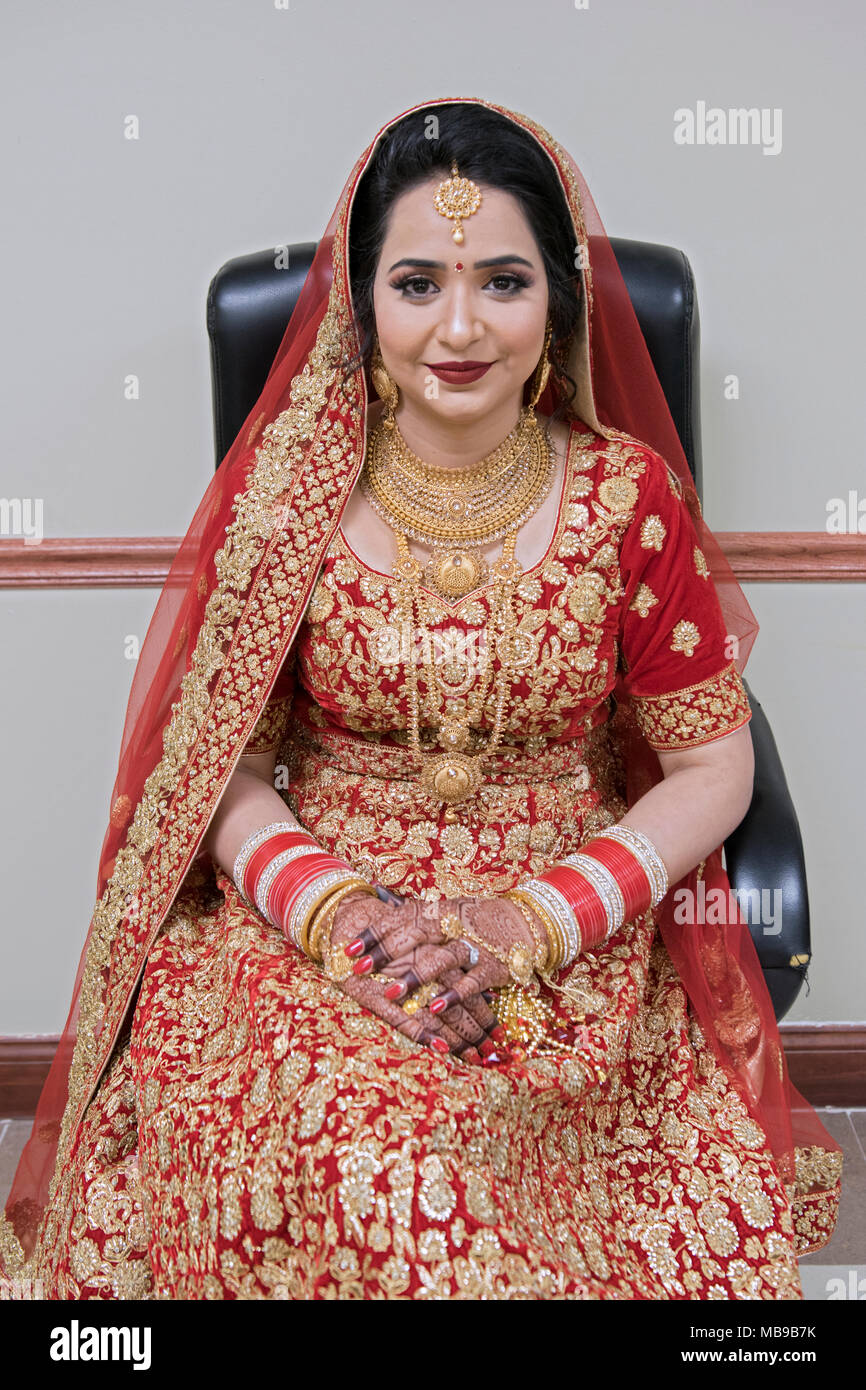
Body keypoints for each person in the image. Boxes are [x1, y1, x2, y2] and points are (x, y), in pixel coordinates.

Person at [0, 97, 841, 1301]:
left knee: (497, 1184)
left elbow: (713, 769)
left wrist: (526, 925)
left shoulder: (626, 496)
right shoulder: (287, 501)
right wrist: (339, 918)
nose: (458, 327)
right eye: (415, 285)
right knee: (348, 1147)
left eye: (501, 282)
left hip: (566, 924)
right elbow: (221, 773)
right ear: (361, 302)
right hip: (314, 924)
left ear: (555, 299)